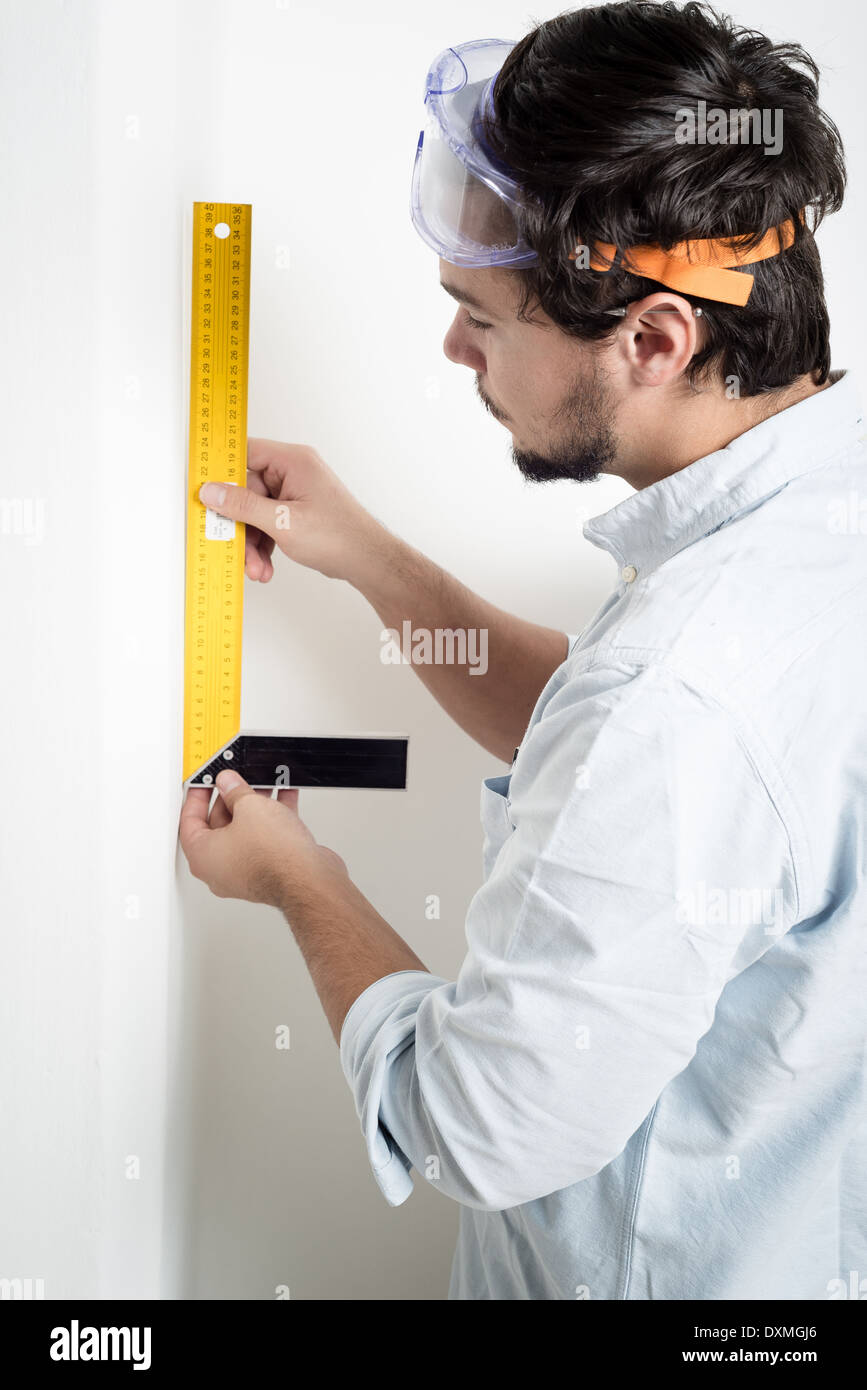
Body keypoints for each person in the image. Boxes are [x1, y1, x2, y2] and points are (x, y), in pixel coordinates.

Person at [179, 2, 866, 1300]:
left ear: (654, 340)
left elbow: (482, 1118)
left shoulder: (684, 689)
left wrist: (300, 878)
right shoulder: (815, 521)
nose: (455, 348)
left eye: (484, 320)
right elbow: (609, 747)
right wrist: (374, 559)